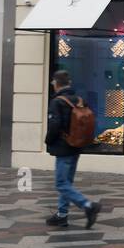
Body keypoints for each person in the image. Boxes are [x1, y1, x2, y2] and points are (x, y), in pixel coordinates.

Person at [44, 70, 102, 229]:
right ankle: (62, 215)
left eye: (53, 83)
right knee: (67, 182)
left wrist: (47, 140)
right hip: (76, 145)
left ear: (56, 83)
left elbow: (54, 125)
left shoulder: (57, 101)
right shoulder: (79, 99)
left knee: (61, 184)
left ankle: (88, 205)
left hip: (63, 147)